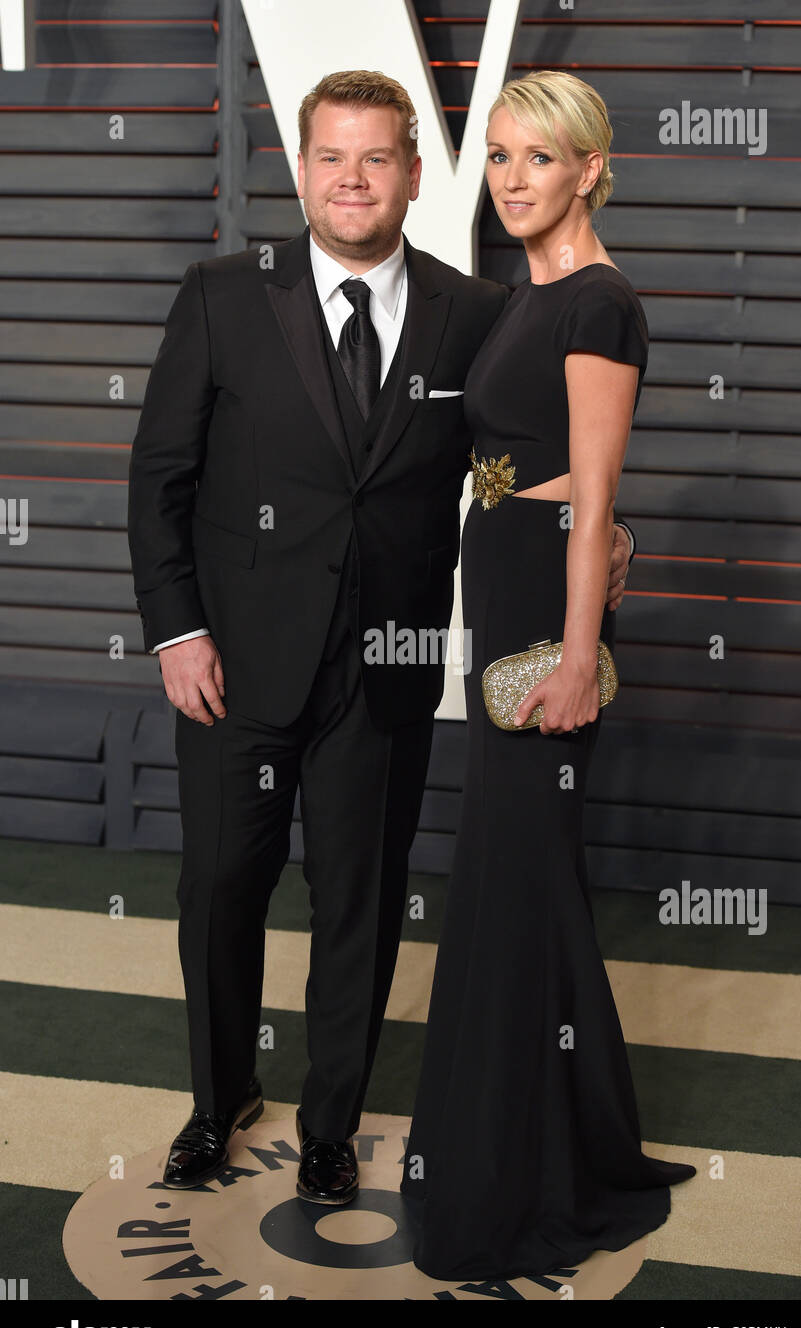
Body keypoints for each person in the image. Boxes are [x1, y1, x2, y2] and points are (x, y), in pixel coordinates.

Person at [127, 70, 635, 1205]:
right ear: (299, 169)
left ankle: (328, 1123)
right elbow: (158, 478)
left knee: (359, 898)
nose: (351, 180)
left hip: (389, 671)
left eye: (375, 159)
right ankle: (217, 1105)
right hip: (235, 665)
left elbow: (527, 461)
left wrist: (605, 540)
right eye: (329, 158)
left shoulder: (476, 313)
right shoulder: (220, 294)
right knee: (217, 889)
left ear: (412, 172)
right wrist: (177, 633)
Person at [400, 70, 696, 1279]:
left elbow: (593, 485)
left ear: (587, 168)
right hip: (509, 580)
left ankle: (529, 1179)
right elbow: (546, 475)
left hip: (543, 617)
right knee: (527, 881)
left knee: (520, 881)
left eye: (539, 158)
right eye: (504, 157)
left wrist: (578, 655)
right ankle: (581, 1141)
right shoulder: (528, 296)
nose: (515, 179)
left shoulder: (600, 303)